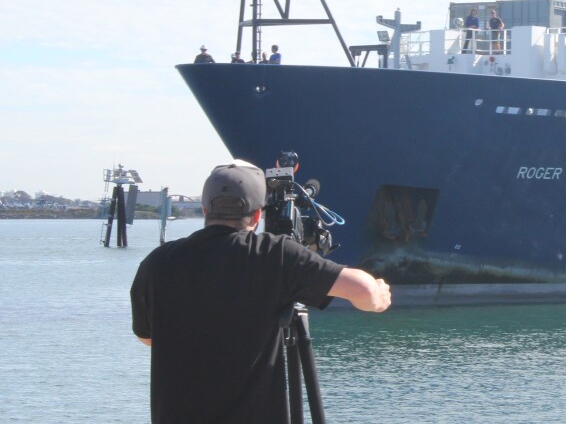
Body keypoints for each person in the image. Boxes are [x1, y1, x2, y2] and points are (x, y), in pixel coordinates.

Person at [130, 160, 392, 423]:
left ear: (205, 209)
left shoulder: (158, 262)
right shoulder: (274, 255)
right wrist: (379, 294)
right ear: (257, 216)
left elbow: (148, 338)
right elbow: (365, 292)